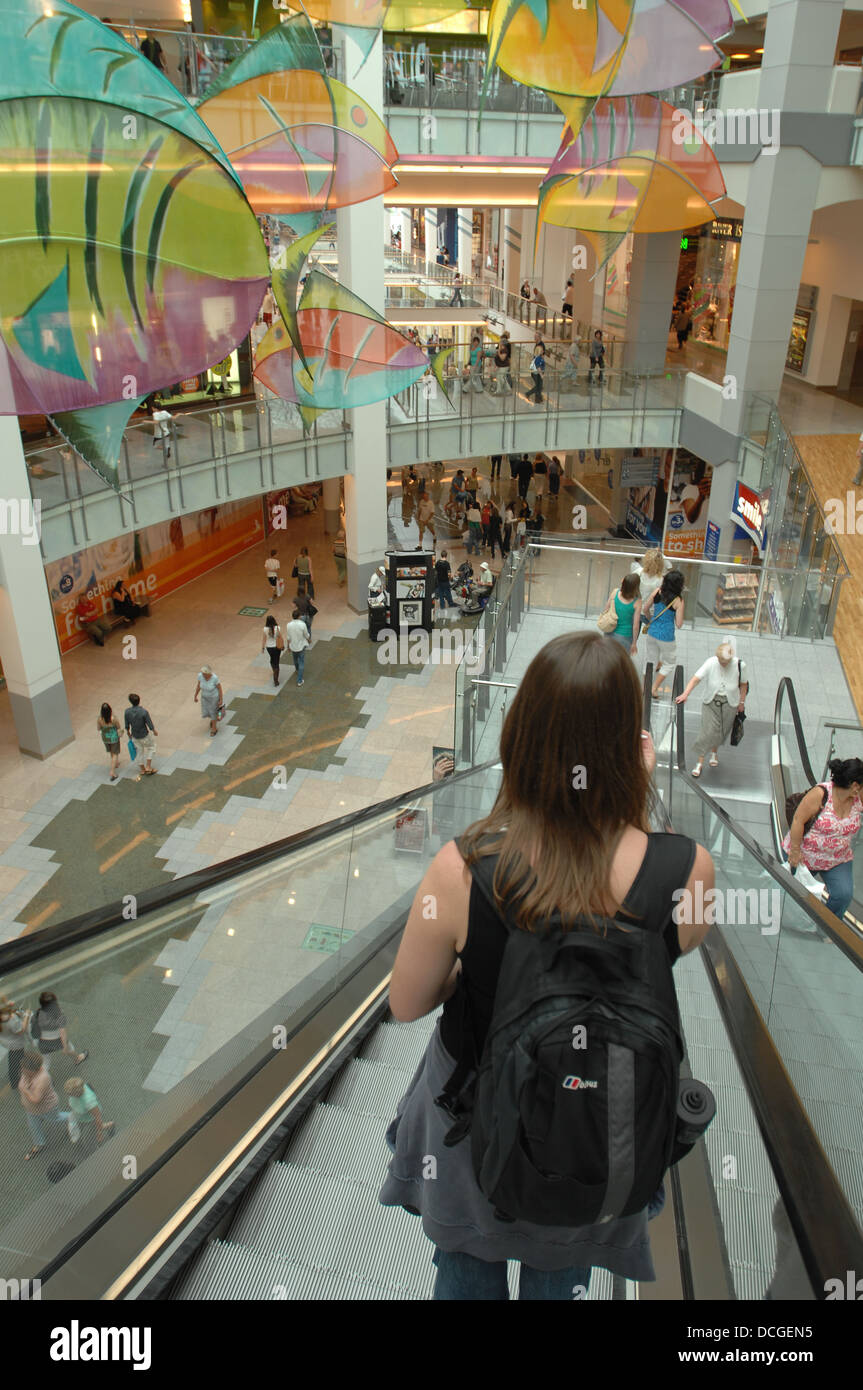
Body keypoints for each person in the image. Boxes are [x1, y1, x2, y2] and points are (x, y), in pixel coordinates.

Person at [379, 631, 714, 1300]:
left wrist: (471, 968)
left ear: (521, 734)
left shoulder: (461, 871)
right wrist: (633, 801)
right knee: (559, 1276)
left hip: (476, 1115)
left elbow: (406, 1002)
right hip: (601, 1125)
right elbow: (665, 949)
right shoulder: (686, 867)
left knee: (468, 1270)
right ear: (630, 743)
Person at [783, 758, 863, 920]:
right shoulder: (821, 793)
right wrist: (795, 851)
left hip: (838, 859)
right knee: (793, 893)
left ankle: (825, 928)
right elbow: (798, 820)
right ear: (855, 786)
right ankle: (785, 919)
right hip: (805, 856)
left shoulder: (858, 798)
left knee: (843, 895)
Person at [675, 643, 748, 779]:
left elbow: (744, 685)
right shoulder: (711, 662)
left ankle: (714, 752)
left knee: (721, 731)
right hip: (711, 702)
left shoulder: (740, 665)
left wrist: (741, 702)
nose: (723, 664)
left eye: (726, 662)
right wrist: (686, 694)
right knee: (707, 732)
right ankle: (700, 762)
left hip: (730, 703)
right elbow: (696, 679)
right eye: (721, 661)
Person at [18, 1052, 74, 1161]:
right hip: (31, 1110)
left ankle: (73, 1116)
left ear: (32, 1070)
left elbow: (36, 1099)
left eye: (24, 1068)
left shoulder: (43, 1078)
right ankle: (39, 1144)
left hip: (46, 1108)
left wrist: (24, 1090)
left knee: (56, 1118)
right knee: (33, 1126)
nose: (22, 1070)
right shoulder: (26, 1074)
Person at [642, 570, 685, 699]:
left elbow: (645, 609)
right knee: (669, 663)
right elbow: (679, 624)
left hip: (652, 632)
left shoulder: (657, 592)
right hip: (667, 636)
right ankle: (653, 688)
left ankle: (644, 687)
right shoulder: (678, 601)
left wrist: (651, 618)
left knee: (650, 660)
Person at [30, 991, 89, 1068]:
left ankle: (42, 1077)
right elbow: (62, 1032)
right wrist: (64, 1047)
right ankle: (77, 1058)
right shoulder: (59, 1014)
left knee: (46, 1061)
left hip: (43, 1042)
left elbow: (33, 1026)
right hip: (57, 1040)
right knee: (70, 1048)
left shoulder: (37, 1013)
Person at [64, 1078, 114, 1145]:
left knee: (88, 1141)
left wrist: (99, 1133)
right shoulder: (77, 1088)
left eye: (70, 1094)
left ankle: (110, 1125)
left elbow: (97, 1118)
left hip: (90, 1120)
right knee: (94, 1130)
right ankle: (107, 1126)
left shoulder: (89, 1101)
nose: (69, 1095)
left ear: (76, 1093)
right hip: (80, 1117)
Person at [124, 693, 158, 778]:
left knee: (139, 752)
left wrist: (128, 732)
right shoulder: (144, 712)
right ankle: (148, 766)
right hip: (144, 734)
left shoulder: (127, 712)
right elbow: (149, 723)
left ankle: (142, 769)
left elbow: (127, 724)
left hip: (135, 735)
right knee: (152, 747)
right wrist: (154, 730)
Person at [0, 999, 29, 1091]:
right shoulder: (11, 1019)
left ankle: (14, 1081)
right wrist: (26, 1017)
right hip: (16, 1044)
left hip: (6, 1042)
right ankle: (18, 1081)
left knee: (14, 1059)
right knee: (18, 1060)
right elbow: (21, 1030)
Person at [194, 663, 223, 737]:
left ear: (209, 673)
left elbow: (219, 688)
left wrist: (220, 699)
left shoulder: (215, 678)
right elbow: (198, 686)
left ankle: (214, 729)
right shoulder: (200, 676)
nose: (203, 675)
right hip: (205, 698)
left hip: (214, 698)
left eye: (204, 674)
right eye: (202, 673)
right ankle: (213, 720)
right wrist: (195, 695)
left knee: (213, 712)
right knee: (207, 711)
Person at [286, 608, 312, 687]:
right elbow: (306, 634)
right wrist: (309, 640)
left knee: (295, 659)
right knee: (301, 661)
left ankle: (297, 670)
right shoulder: (302, 624)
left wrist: (288, 646)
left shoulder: (288, 625)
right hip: (301, 646)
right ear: (299, 616)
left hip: (293, 646)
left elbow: (288, 637)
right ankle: (299, 680)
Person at [97, 702, 122, 781]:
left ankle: (116, 763)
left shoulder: (100, 719)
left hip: (105, 738)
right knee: (115, 754)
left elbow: (98, 728)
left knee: (111, 751)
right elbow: (118, 727)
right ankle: (112, 771)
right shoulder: (113, 719)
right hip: (114, 738)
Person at [262, 614, 284, 686]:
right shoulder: (278, 628)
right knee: (276, 661)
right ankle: (276, 679)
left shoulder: (265, 629)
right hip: (277, 647)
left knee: (272, 659)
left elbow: (264, 639)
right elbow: (280, 637)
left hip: (269, 648)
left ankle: (274, 670)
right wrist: (283, 645)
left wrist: (262, 648)